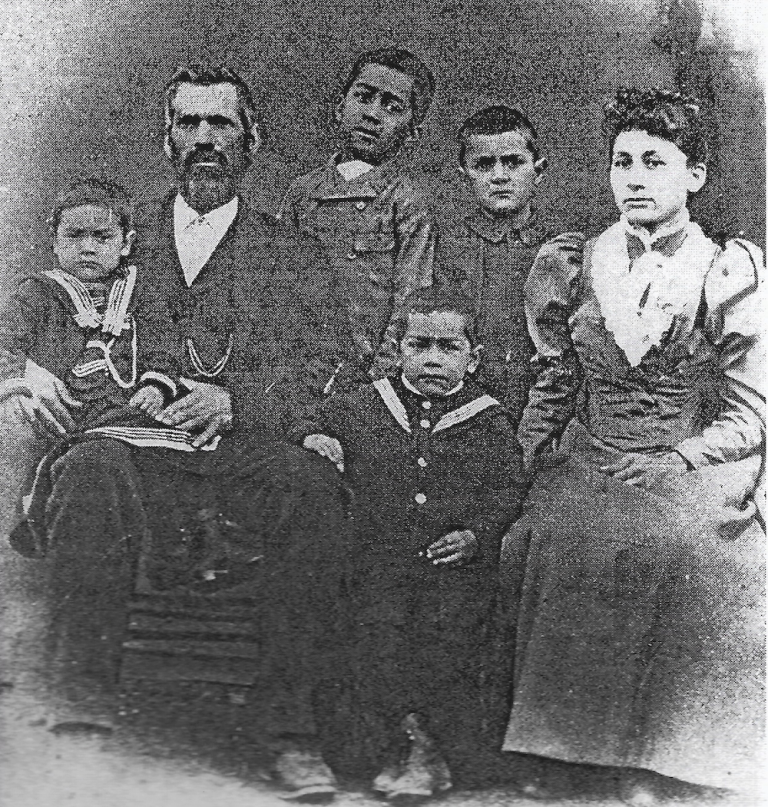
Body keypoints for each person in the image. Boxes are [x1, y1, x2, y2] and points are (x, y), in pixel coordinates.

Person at [20, 65, 354, 801]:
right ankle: (80, 715)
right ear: (166, 138)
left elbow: (323, 361)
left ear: (252, 141)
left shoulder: (291, 251)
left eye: (222, 124)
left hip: (245, 441)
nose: (204, 140)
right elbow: (44, 313)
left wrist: (236, 400)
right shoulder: (114, 236)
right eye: (188, 124)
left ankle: (289, 726)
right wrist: (25, 371)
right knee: (87, 471)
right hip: (135, 438)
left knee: (313, 489)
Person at [499, 89, 765, 805]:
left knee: (688, 547)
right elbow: (554, 383)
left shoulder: (726, 268)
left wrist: (680, 458)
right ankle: (560, 751)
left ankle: (658, 756)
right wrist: (515, 471)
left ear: (696, 175)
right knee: (553, 534)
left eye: (656, 161)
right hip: (591, 450)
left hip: (689, 455)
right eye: (623, 162)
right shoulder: (575, 260)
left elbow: (750, 412)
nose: (636, 178)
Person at [297, 286, 526, 799]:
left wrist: (477, 534)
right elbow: (309, 423)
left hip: (452, 570)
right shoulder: (361, 406)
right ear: (398, 348)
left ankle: (429, 748)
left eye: (448, 348)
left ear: (473, 357)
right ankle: (378, 748)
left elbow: (507, 488)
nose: (432, 359)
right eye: (419, 345)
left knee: (448, 649)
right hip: (374, 564)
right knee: (371, 648)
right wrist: (316, 437)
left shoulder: (488, 421)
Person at [0, 179, 180, 537]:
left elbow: (164, 344)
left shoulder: (142, 293)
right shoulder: (36, 293)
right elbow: (5, 343)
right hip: (58, 410)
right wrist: (18, 386)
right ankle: (20, 527)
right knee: (14, 432)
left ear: (126, 243)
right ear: (54, 242)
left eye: (102, 237)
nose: (87, 248)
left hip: (124, 410)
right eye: (74, 236)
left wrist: (156, 385)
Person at [279, 47, 438, 379]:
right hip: (295, 366)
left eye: (392, 108)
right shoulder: (302, 192)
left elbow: (410, 302)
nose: (373, 115)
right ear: (340, 108)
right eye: (364, 98)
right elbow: (272, 285)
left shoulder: (407, 201)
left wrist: (381, 379)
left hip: (364, 374)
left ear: (412, 133)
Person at [437, 105, 549, 420]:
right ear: (464, 176)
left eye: (513, 163)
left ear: (538, 171)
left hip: (541, 410)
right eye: (484, 165)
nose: (499, 176)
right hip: (460, 409)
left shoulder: (562, 251)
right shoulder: (443, 247)